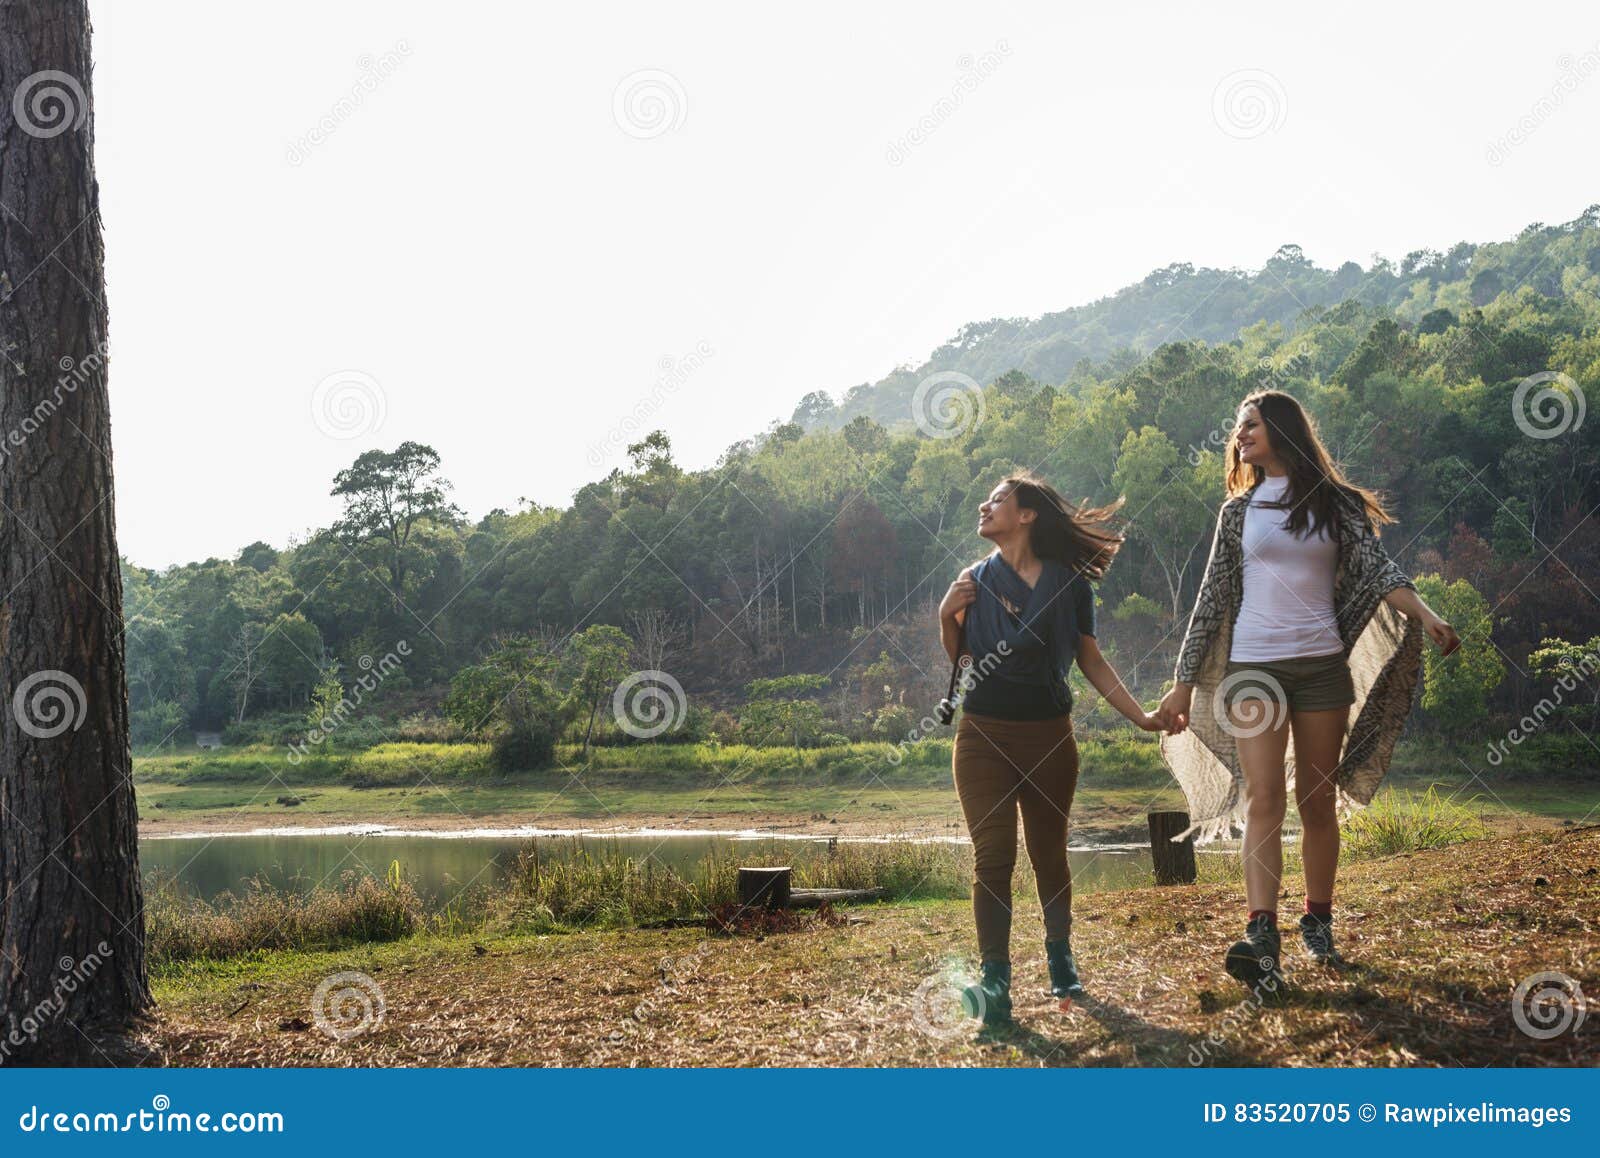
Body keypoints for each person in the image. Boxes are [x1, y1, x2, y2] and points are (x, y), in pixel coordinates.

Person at [1158, 391, 1460, 985]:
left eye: (1251, 425)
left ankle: (1317, 918)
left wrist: (1426, 613)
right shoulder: (1238, 513)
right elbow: (1211, 597)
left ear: (1282, 429)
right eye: (1238, 427)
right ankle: (1261, 928)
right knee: (1263, 798)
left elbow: (1379, 571)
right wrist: (1182, 683)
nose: (1240, 435)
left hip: (1322, 669)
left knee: (1317, 802)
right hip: (1253, 669)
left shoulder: (1336, 503)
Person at [938, 472, 1167, 1027]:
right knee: (993, 857)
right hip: (983, 735)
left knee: (1048, 854)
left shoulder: (1070, 586)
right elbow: (964, 665)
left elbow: (1091, 660)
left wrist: (1141, 716)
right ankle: (995, 979)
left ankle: (1060, 956)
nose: (984, 505)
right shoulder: (972, 582)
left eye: (997, 499)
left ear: (1027, 515)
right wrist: (946, 615)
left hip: (1049, 736)